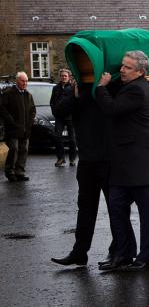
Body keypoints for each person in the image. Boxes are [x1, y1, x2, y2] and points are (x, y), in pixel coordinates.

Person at [95, 51, 149, 271]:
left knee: (146, 214)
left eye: (127, 67)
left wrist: (101, 87)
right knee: (117, 207)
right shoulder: (131, 85)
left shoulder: (137, 89)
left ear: (141, 71)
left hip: (140, 163)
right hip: (125, 162)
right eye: (122, 65)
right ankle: (124, 253)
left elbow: (112, 108)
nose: (121, 70)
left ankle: (145, 258)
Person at [50, 78, 117, 267]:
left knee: (115, 208)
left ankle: (117, 250)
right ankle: (79, 252)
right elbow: (58, 111)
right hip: (87, 160)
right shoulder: (76, 88)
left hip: (108, 159)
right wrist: (75, 95)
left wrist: (103, 87)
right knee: (85, 208)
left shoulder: (109, 85)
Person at [2, 72, 36, 182]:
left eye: (26, 81)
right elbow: (2, 109)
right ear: (17, 81)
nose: (25, 83)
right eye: (23, 81)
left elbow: (33, 110)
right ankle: (10, 172)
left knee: (24, 150)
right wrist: (11, 121)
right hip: (12, 129)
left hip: (25, 129)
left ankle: (19, 172)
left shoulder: (28, 95)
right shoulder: (8, 93)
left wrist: (30, 122)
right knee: (14, 149)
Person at [50, 69, 77, 167]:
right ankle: (61, 158)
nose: (63, 77)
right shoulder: (55, 88)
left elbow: (76, 101)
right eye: (62, 76)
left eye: (65, 76)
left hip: (70, 117)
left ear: (69, 77)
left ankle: (72, 159)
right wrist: (54, 112)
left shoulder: (72, 87)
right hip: (59, 117)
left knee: (72, 139)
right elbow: (52, 102)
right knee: (57, 137)